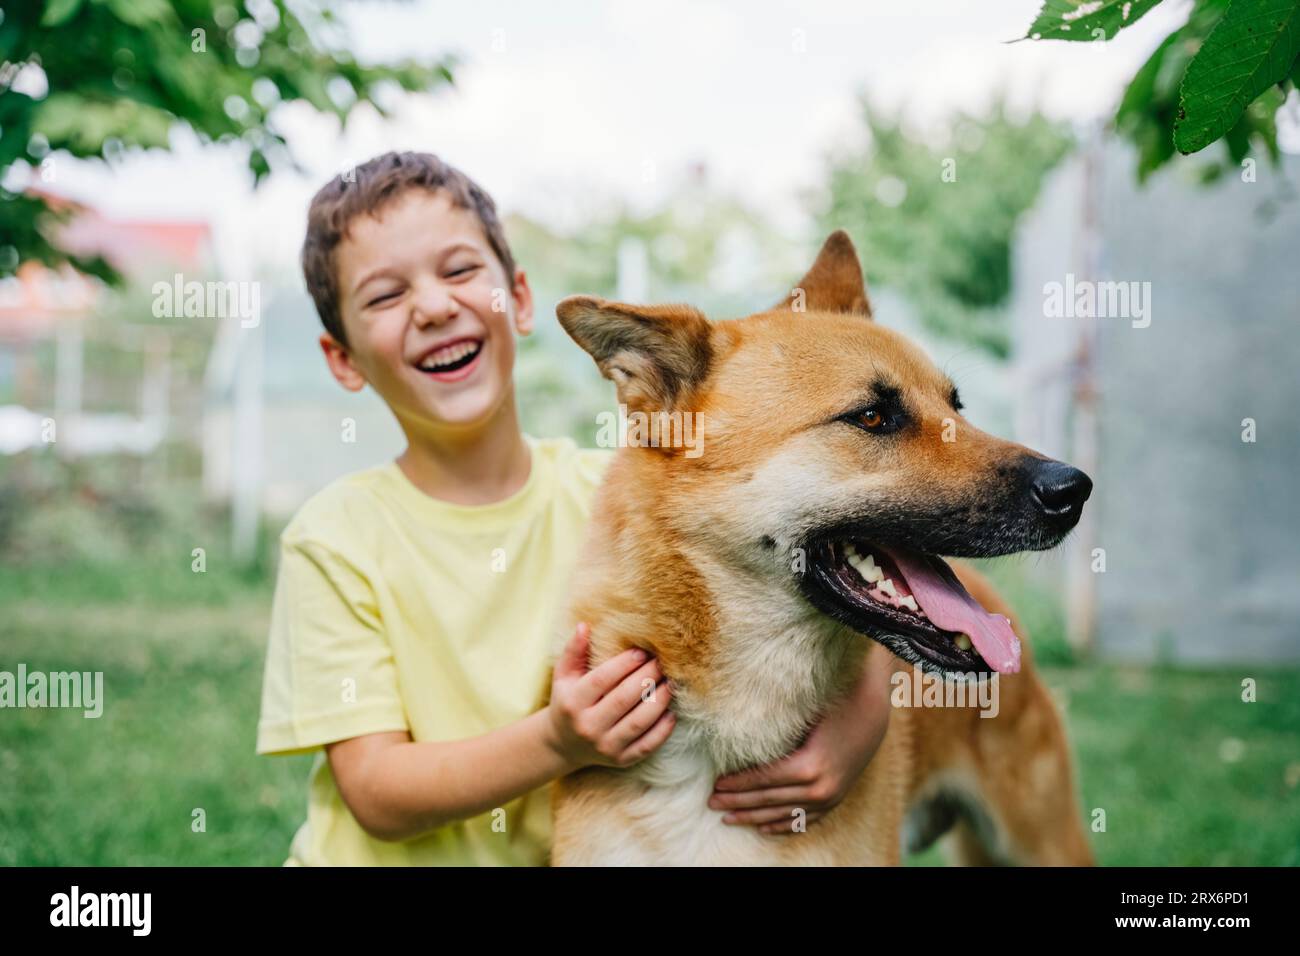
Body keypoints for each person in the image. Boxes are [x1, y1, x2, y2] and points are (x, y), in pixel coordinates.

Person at [255, 150, 893, 865]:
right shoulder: (335, 537)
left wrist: (858, 727)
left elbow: (845, 594)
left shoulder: (623, 495)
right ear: (342, 359)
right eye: (383, 296)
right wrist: (556, 742)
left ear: (519, 299)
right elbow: (375, 792)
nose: (433, 306)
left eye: (461, 271)